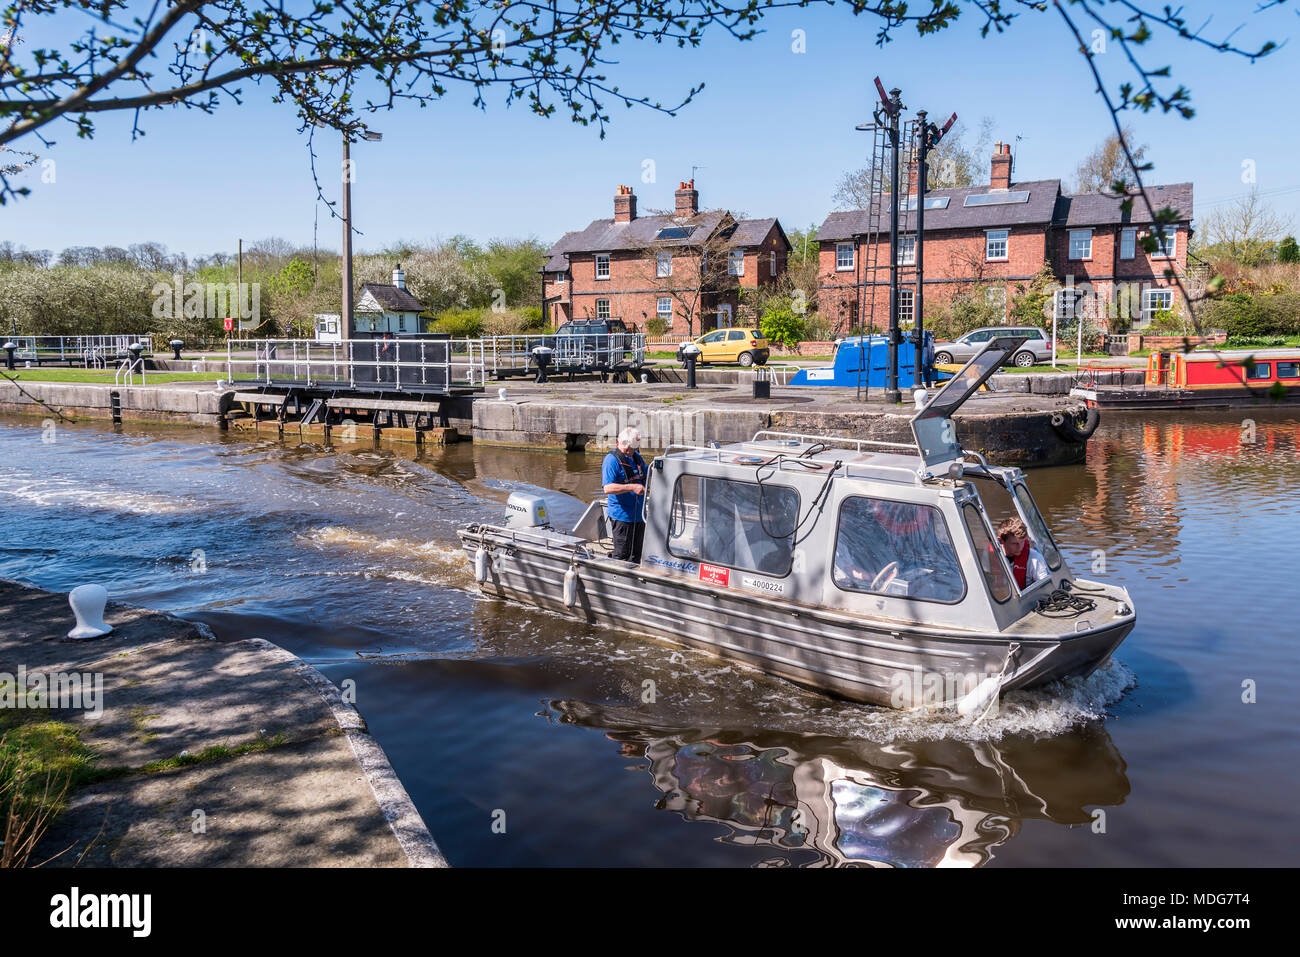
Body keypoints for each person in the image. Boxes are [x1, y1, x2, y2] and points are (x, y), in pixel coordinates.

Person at [602, 427, 648, 563]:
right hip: (622, 516)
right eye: (630, 449)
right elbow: (608, 488)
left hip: (639, 515)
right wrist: (632, 487)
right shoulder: (611, 460)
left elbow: (647, 474)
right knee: (622, 555)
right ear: (623, 444)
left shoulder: (635, 456)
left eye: (634, 448)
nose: (632, 452)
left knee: (636, 554)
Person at [997, 517, 1048, 590]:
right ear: (1001, 541)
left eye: (1022, 542)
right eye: (1014, 543)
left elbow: (1045, 586)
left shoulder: (1035, 558)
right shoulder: (990, 555)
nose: (1020, 547)